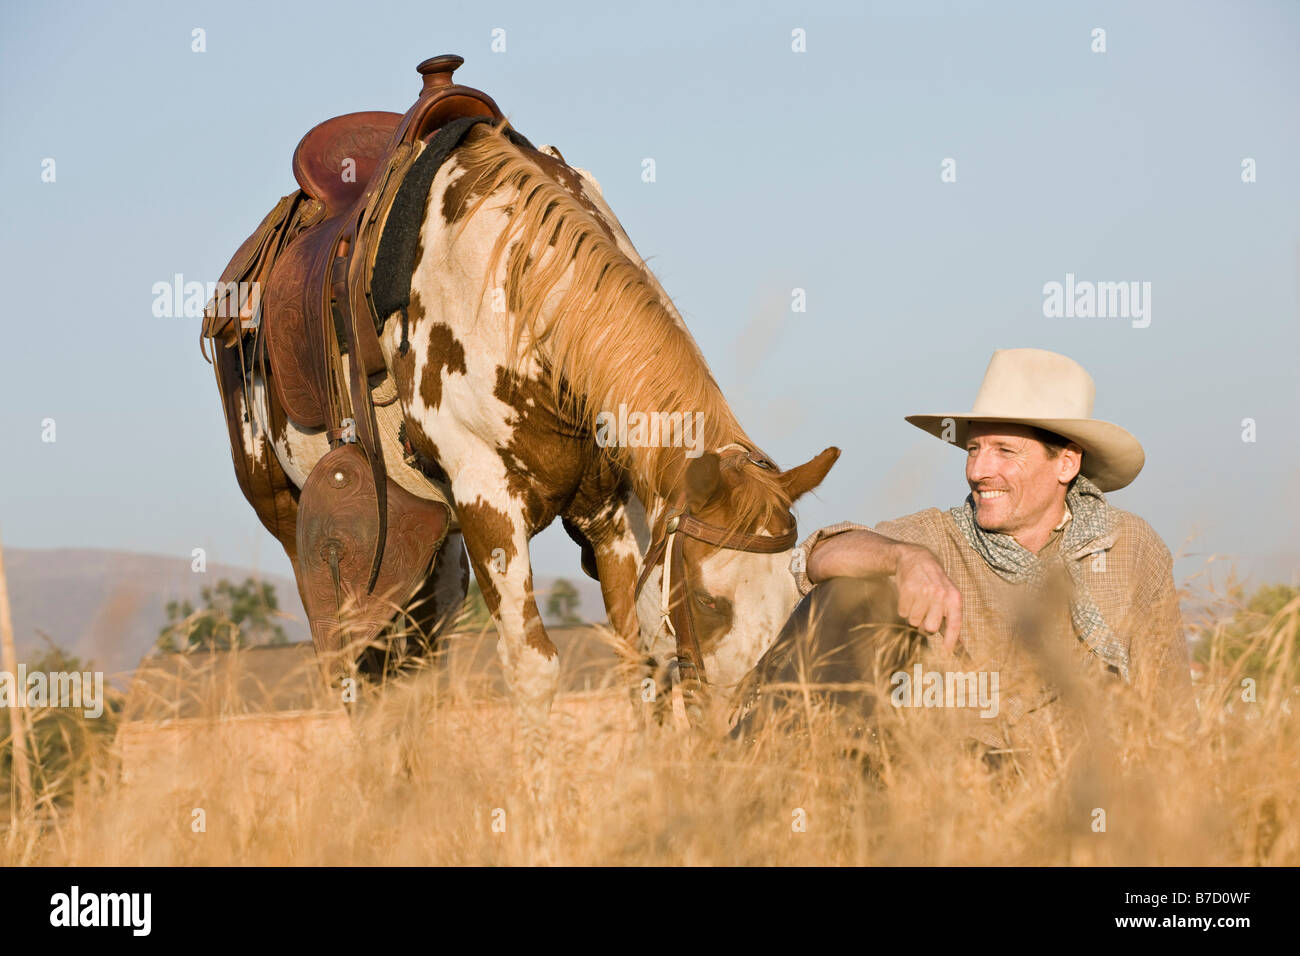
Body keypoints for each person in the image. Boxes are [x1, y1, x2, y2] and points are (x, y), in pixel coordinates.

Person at [734, 348, 1195, 752]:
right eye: (973, 449)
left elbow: (1171, 702)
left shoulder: (1130, 546)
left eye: (1003, 451)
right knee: (838, 597)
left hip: (1080, 786)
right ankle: (752, 783)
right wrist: (903, 558)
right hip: (955, 775)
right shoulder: (938, 536)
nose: (978, 470)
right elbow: (819, 555)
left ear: (1067, 464)